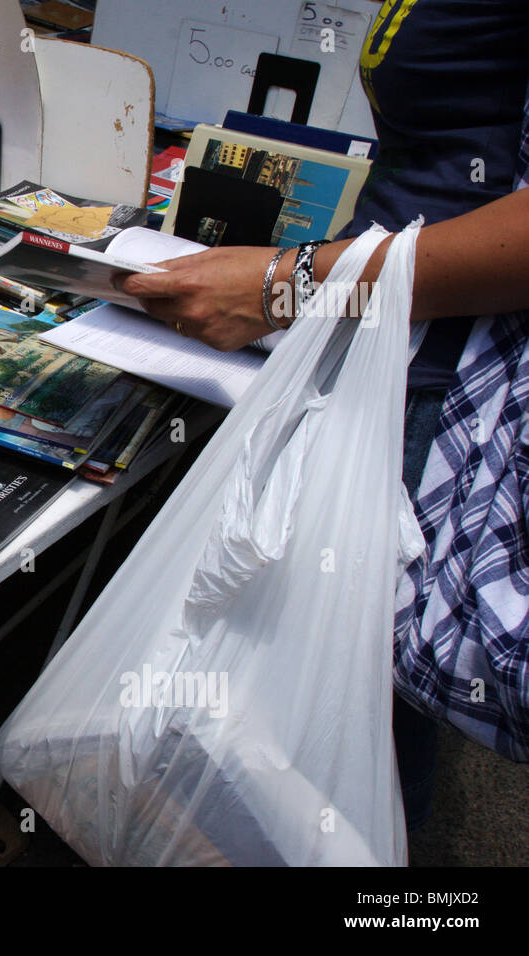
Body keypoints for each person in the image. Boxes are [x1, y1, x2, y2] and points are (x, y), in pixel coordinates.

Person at [115, 3, 529, 827]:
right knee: (299, 691)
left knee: (348, 725)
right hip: (377, 336)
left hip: (440, 390)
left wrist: (285, 285)